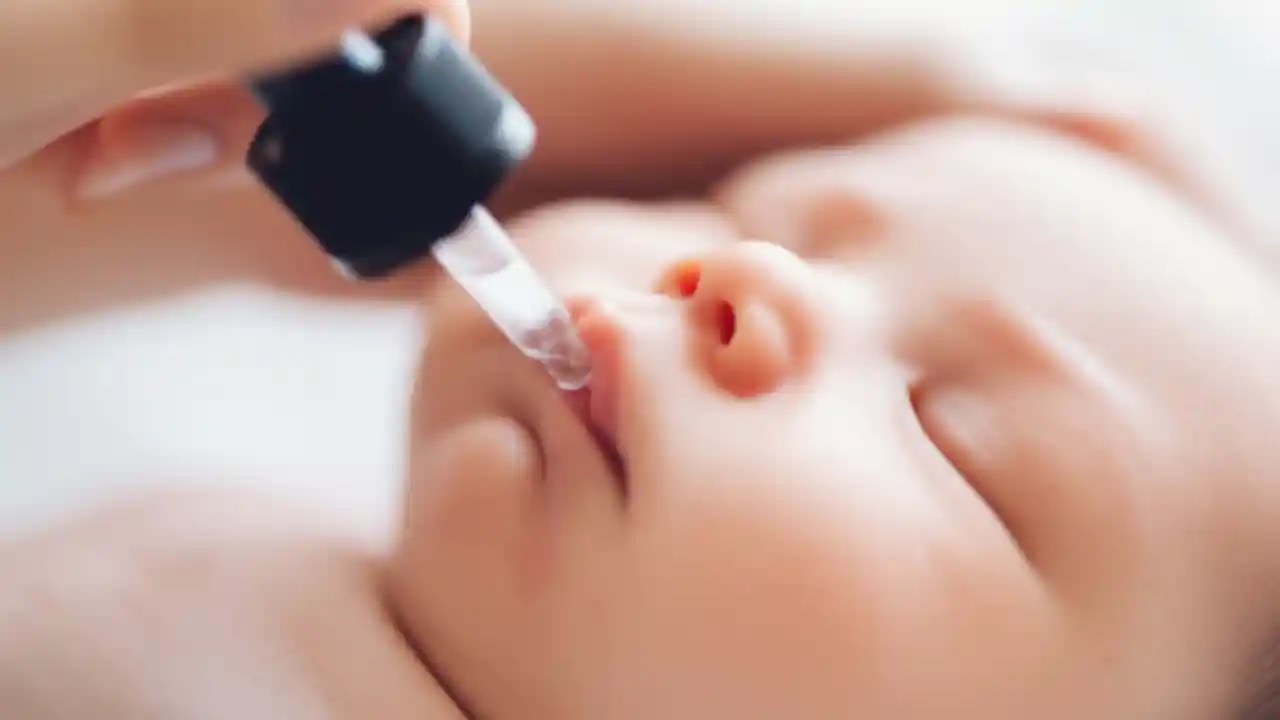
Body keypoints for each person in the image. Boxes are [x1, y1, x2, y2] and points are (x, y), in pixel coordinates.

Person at [2, 0, 1275, 718]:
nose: (737, 278)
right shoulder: (239, 544)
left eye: (957, 451)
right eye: (753, 210)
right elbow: (125, 142)